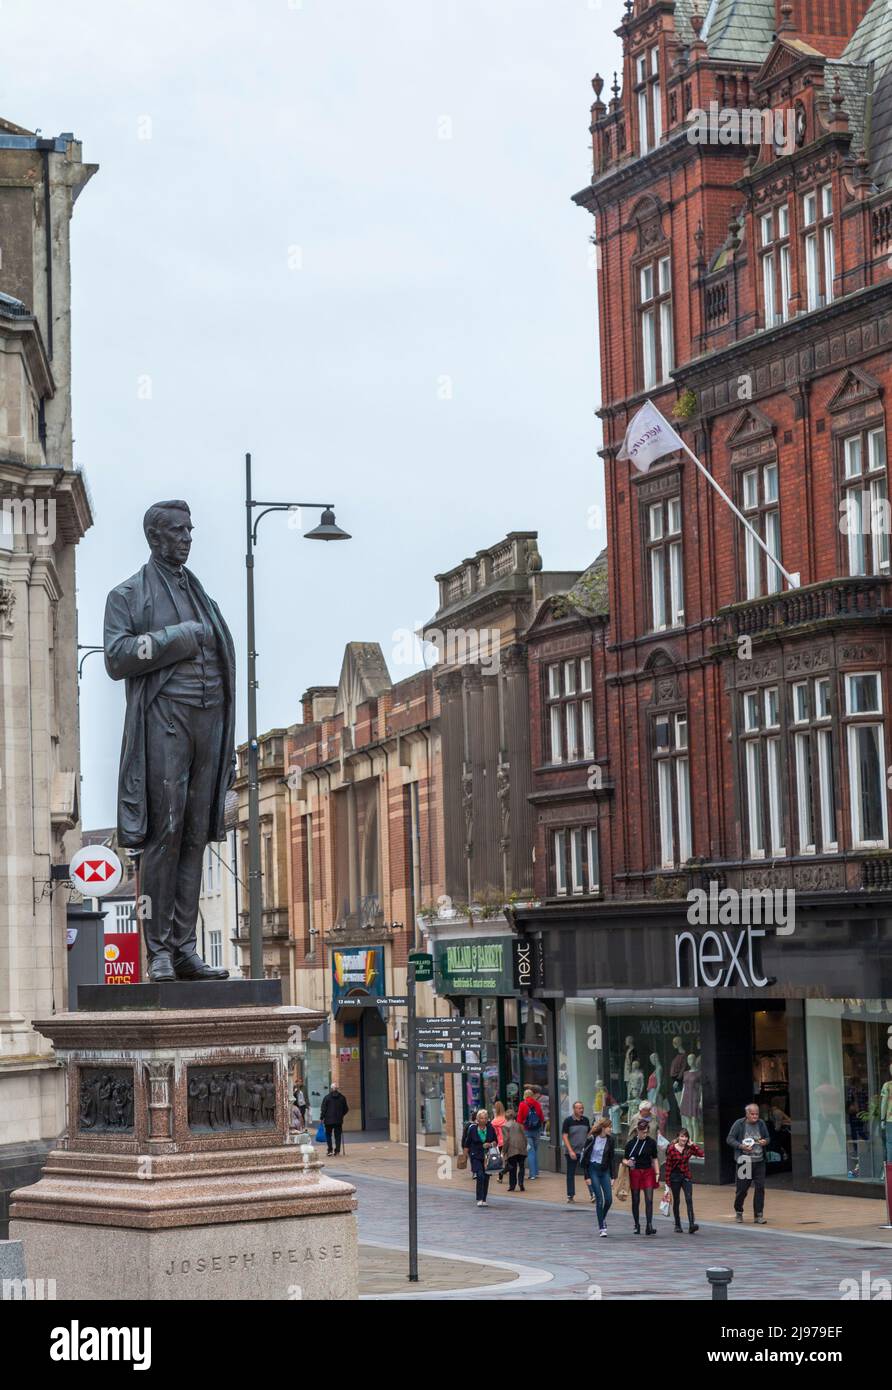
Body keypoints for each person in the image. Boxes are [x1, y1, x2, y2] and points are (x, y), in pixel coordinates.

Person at [727, 1102, 770, 1224]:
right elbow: (729, 1139)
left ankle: (759, 1215)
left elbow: (767, 1138)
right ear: (747, 1114)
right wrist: (741, 1146)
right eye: (752, 1114)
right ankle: (739, 1211)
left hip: (759, 1160)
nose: (755, 1117)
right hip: (744, 1161)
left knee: (760, 1187)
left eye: (757, 1114)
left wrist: (764, 1142)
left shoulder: (761, 1124)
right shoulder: (739, 1124)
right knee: (742, 1189)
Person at [622, 1118, 661, 1235]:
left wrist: (658, 1172)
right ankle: (636, 1224)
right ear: (637, 1131)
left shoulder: (651, 1143)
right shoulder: (631, 1144)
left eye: (646, 1132)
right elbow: (624, 1158)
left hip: (648, 1171)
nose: (645, 1134)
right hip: (635, 1172)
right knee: (636, 1199)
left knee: (649, 1199)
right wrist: (627, 1163)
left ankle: (649, 1224)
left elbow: (654, 1158)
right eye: (643, 1132)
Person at [663, 1128, 703, 1233]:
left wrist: (693, 1144)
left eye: (685, 1136)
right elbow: (668, 1166)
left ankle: (691, 1224)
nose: (683, 1139)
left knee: (689, 1199)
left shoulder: (689, 1148)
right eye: (681, 1136)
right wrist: (667, 1182)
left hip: (686, 1176)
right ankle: (677, 1224)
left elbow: (701, 1153)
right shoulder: (671, 1148)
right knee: (677, 1201)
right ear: (678, 1137)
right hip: (674, 1177)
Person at [582, 1118, 615, 1236]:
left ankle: (602, 1217)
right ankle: (602, 1228)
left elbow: (612, 1159)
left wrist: (613, 1176)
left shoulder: (611, 1140)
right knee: (599, 1200)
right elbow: (585, 1158)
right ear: (603, 1128)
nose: (611, 1129)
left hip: (604, 1170)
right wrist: (587, 1176)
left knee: (609, 1199)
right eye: (609, 1127)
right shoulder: (591, 1139)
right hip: (593, 1169)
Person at [463, 1108, 499, 1207]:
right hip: (476, 1155)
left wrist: (490, 1144)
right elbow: (467, 1142)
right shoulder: (472, 1129)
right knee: (480, 1175)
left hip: (487, 1156)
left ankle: (484, 1198)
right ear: (478, 1119)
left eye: (485, 1118)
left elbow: (496, 1142)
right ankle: (479, 1198)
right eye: (481, 1118)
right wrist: (464, 1156)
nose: (483, 1120)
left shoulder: (491, 1128)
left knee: (486, 1177)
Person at [561, 1100, 591, 1203]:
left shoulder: (586, 1120)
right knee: (570, 1174)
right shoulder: (568, 1121)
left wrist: (587, 1148)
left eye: (582, 1108)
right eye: (579, 1108)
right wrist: (570, 1151)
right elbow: (564, 1136)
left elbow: (588, 1134)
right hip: (571, 1152)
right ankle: (570, 1195)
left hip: (584, 1152)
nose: (581, 1110)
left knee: (588, 1173)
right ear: (574, 1109)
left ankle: (593, 1194)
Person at [517, 1088, 545, 1181]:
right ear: (532, 1095)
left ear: (524, 1096)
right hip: (537, 1130)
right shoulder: (537, 1103)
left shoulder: (522, 1104)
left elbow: (519, 1120)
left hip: (527, 1131)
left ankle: (532, 1174)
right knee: (535, 1151)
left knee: (530, 1152)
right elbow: (541, 1117)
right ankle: (536, 1172)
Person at [502, 1107, 527, 1192]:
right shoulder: (519, 1125)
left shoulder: (505, 1126)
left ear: (506, 1117)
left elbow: (506, 1139)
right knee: (522, 1166)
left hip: (512, 1149)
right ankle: (521, 1183)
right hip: (522, 1148)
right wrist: (525, 1146)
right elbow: (524, 1137)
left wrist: (503, 1151)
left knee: (512, 1167)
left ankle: (512, 1185)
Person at [320, 1083, 349, 1156]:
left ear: (331, 1088)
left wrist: (322, 1117)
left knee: (328, 1135)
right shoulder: (342, 1097)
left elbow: (323, 1109)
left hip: (328, 1120)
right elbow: (346, 1109)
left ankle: (330, 1150)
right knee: (338, 1135)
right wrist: (341, 1115)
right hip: (338, 1120)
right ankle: (337, 1151)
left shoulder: (327, 1097)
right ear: (337, 1089)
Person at [492, 1100, 508, 1183]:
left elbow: (495, 1134)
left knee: (500, 1160)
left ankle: (500, 1177)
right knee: (508, 1158)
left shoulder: (494, 1122)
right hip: (508, 1141)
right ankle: (508, 1170)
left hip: (499, 1142)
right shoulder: (506, 1119)